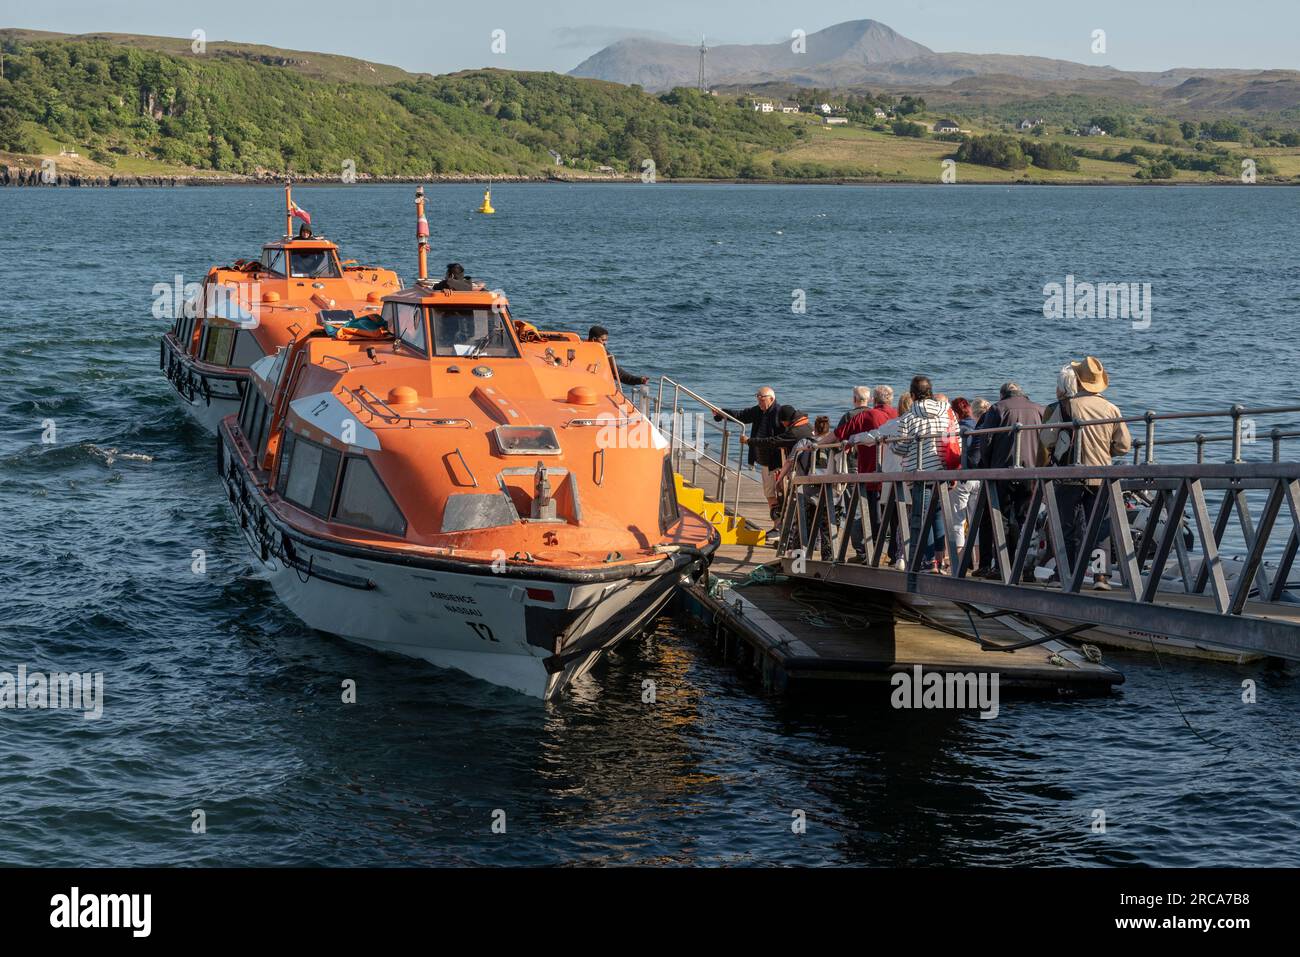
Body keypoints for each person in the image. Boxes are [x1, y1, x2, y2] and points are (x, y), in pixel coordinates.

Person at [1040, 356, 1131, 591]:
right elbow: (1123, 446)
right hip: (1101, 474)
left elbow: (1046, 438)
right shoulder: (1111, 408)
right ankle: (1101, 577)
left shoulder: (1066, 406)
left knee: (1067, 526)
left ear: (1078, 381)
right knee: (1100, 527)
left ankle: (1065, 574)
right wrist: (1104, 448)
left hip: (1069, 475)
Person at [970, 381, 1044, 578]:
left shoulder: (997, 409)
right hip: (1031, 472)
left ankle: (1002, 565)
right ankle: (1023, 567)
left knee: (999, 517)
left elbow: (986, 441)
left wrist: (987, 466)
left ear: (1003, 395)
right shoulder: (1039, 409)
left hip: (1002, 471)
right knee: (1024, 519)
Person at [892, 376, 952, 572]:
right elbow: (956, 442)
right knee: (937, 515)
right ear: (931, 392)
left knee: (923, 517)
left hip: (920, 473)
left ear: (912, 394)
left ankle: (927, 562)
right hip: (943, 471)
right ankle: (940, 560)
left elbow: (900, 447)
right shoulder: (947, 413)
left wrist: (893, 443)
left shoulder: (909, 417)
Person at [716, 387, 782, 521]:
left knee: (780, 494)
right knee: (769, 494)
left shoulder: (779, 413)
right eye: (757, 398)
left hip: (778, 462)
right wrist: (721, 413)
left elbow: (777, 440)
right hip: (764, 461)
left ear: (771, 398)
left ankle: (782, 525)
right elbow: (741, 415)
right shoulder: (758, 410)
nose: (759, 401)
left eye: (761, 399)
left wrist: (750, 441)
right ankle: (777, 524)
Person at [950, 397, 979, 558]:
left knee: (958, 520)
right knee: (976, 520)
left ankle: (959, 560)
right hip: (980, 477)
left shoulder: (957, 429)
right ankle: (978, 559)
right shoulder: (979, 425)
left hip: (962, 477)